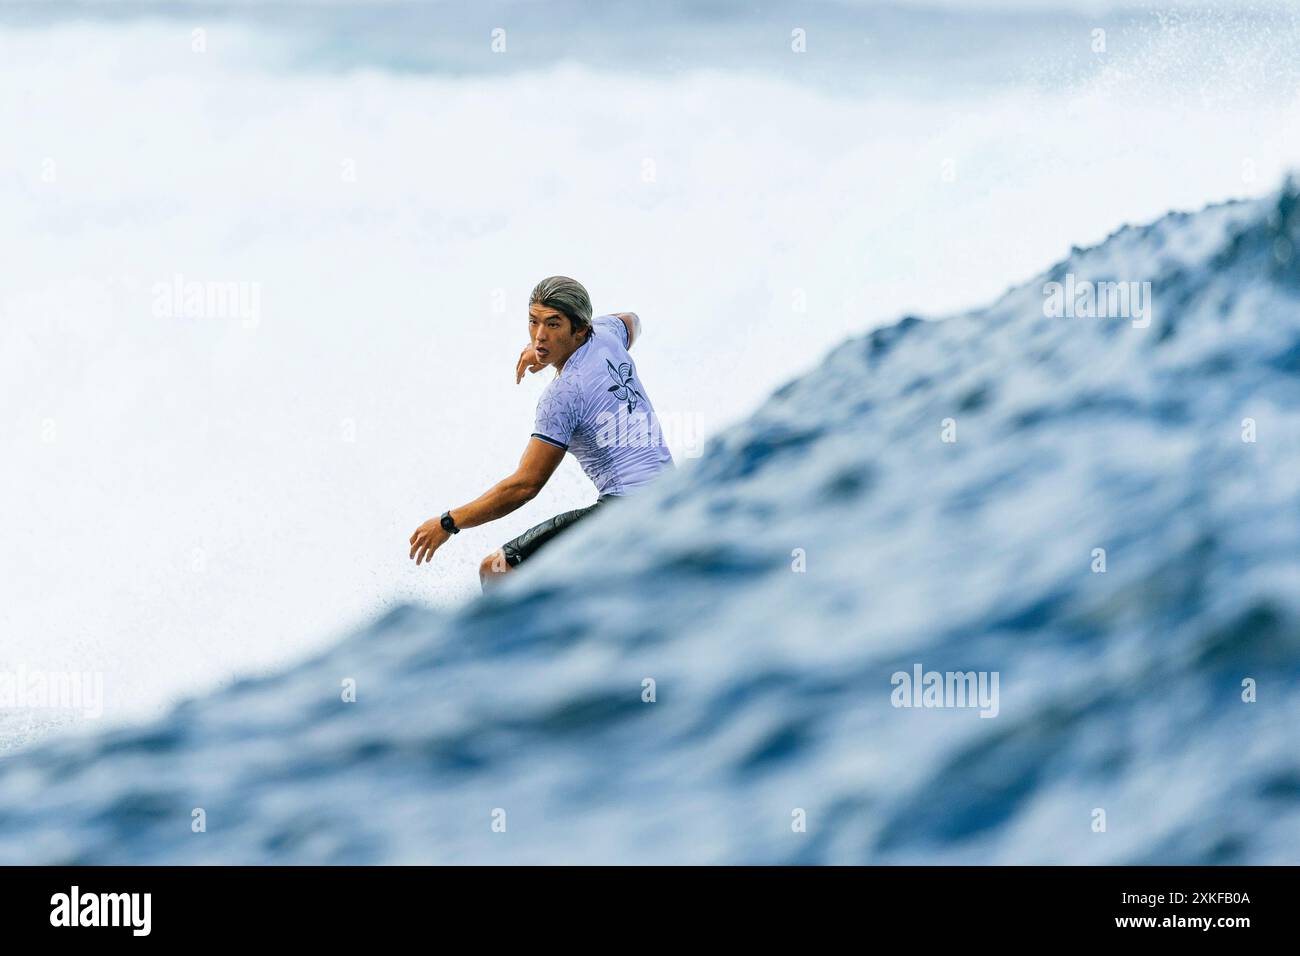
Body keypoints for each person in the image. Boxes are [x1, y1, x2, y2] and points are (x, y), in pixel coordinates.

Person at [409, 276, 674, 588]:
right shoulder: (607, 334)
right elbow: (633, 321)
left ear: (579, 329)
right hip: (671, 492)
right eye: (533, 322)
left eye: (553, 324)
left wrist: (448, 522)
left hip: (626, 508)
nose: (539, 336)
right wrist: (545, 352)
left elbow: (525, 485)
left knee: (496, 569)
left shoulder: (563, 395)